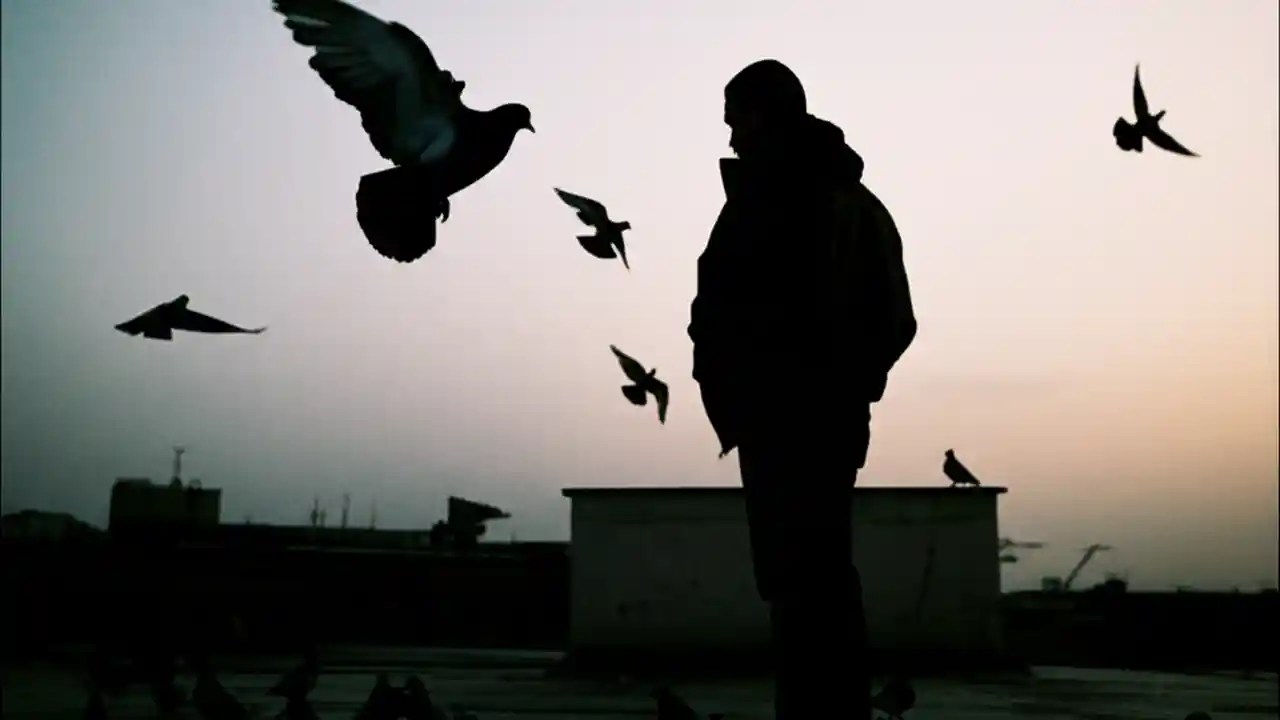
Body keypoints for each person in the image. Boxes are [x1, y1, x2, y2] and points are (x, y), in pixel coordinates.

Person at [688, 59, 916, 718]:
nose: (730, 134)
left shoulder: (822, 207)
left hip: (800, 421)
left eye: (738, 117)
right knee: (803, 584)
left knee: (808, 584)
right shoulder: (789, 203)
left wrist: (824, 384)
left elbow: (892, 320)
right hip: (782, 419)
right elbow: (717, 306)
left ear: (769, 114)